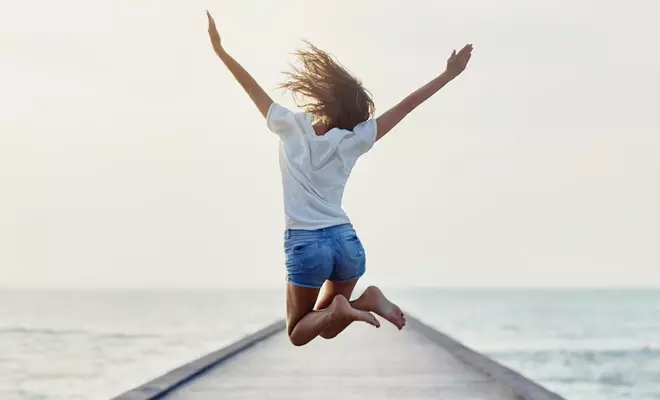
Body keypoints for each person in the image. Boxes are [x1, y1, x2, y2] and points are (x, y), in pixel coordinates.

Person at [206, 11, 473, 347]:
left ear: (323, 99)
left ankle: (348, 308)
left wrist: (220, 51)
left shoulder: (289, 125)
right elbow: (406, 106)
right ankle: (364, 302)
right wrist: (447, 75)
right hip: (346, 243)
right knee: (328, 324)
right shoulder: (354, 140)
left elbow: (251, 87)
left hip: (306, 243)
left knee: (298, 332)